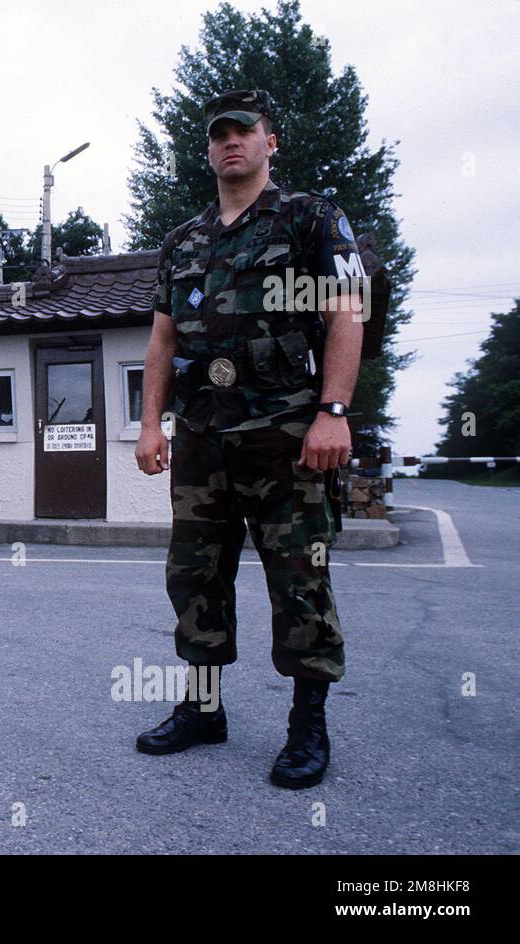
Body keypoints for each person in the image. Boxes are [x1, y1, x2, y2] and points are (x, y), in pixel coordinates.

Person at [133, 89, 367, 789]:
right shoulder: (184, 242)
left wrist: (334, 409)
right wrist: (150, 423)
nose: (231, 141)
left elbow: (348, 310)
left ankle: (307, 727)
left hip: (286, 433)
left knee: (299, 579)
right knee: (195, 579)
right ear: (208, 149)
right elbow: (162, 338)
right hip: (203, 436)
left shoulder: (310, 218)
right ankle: (204, 710)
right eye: (220, 134)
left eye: (245, 130)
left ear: (271, 142)